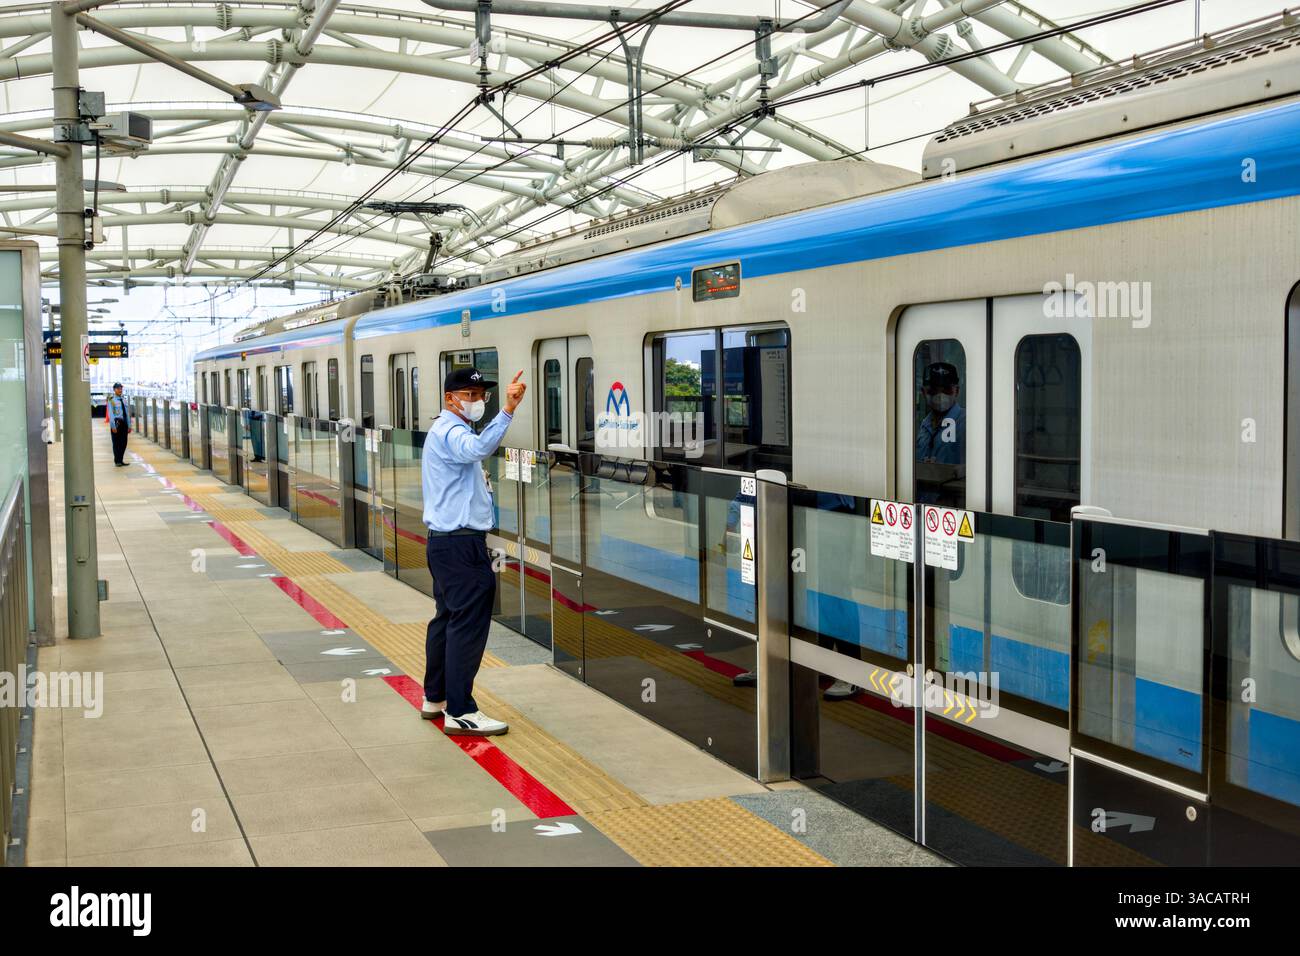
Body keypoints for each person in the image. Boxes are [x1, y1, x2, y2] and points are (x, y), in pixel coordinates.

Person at [419, 366, 526, 736]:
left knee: (447, 618)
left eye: (482, 395)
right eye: (469, 395)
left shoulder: (448, 429)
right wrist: (508, 411)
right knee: (467, 623)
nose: (477, 401)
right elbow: (479, 448)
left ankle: (436, 698)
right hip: (460, 543)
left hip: (446, 542)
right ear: (450, 398)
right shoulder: (451, 431)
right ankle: (461, 711)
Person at [915, 361, 966, 504]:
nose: (940, 395)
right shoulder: (924, 426)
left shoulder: (966, 423)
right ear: (923, 392)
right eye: (933, 390)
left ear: (957, 391)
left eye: (946, 389)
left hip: (952, 506)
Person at [105, 382, 133, 467]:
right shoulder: (111, 400)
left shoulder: (123, 399)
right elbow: (111, 414)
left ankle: (120, 459)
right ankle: (117, 461)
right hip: (117, 423)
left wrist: (129, 425)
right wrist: (113, 426)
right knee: (116, 443)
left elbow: (127, 413)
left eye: (121, 388)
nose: (120, 390)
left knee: (124, 443)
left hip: (124, 423)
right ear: (114, 390)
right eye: (118, 388)